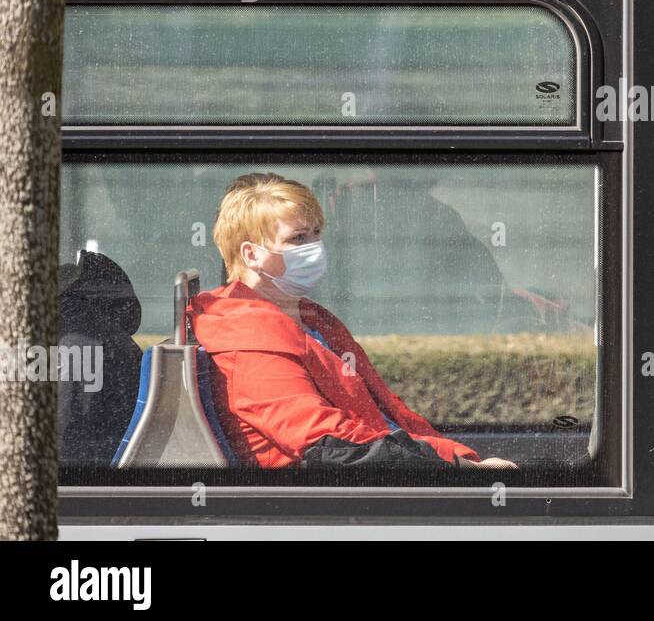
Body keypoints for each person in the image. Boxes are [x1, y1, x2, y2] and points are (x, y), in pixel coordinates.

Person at [191, 171, 517, 471]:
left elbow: (379, 418)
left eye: (316, 234)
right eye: (297, 239)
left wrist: (453, 457)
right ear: (252, 255)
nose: (314, 248)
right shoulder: (247, 336)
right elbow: (329, 445)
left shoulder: (312, 321)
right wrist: (460, 471)